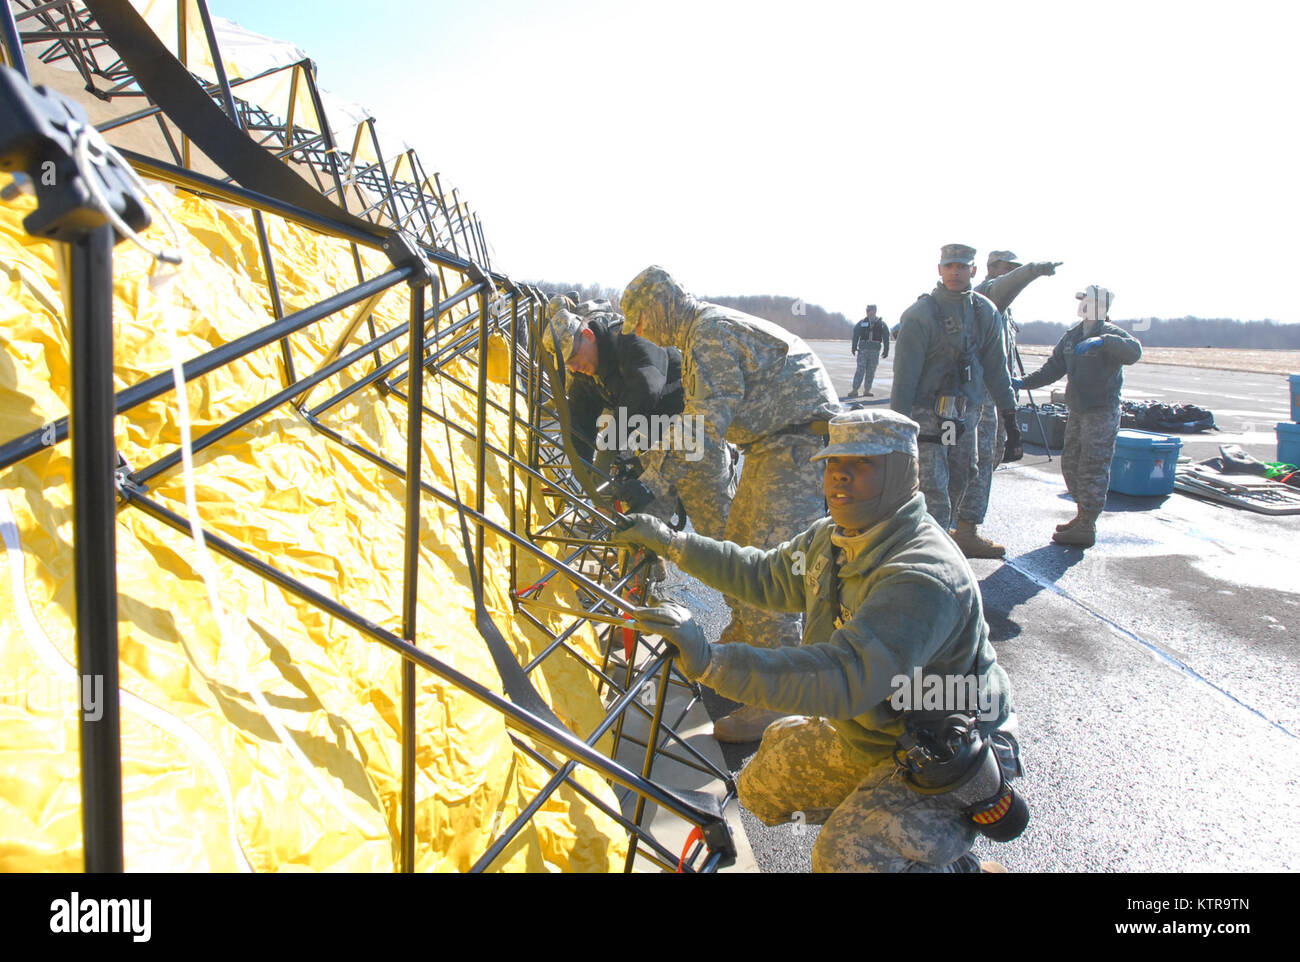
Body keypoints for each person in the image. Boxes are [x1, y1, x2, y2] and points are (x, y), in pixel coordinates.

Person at [617, 408, 1023, 872]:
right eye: (833, 462)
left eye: (861, 464)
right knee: (763, 786)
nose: (839, 476)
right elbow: (763, 574)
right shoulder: (835, 537)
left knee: (845, 857)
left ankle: (937, 854)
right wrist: (672, 542)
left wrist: (712, 662)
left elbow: (843, 676)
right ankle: (906, 833)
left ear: (900, 473)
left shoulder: (921, 576)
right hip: (878, 733)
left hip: (947, 752)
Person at [620, 265, 841, 742]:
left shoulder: (710, 334)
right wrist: (651, 470)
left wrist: (654, 481)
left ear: (658, 305)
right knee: (742, 549)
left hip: (795, 447)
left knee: (768, 564)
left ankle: (777, 700)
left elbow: (703, 426)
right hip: (775, 446)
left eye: (639, 320)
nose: (640, 334)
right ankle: (747, 636)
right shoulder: (700, 332)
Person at [890, 244, 1022, 533]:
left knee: (964, 472)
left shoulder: (985, 312)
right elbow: (904, 378)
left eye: (961, 266)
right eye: (949, 266)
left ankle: (943, 530)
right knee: (933, 483)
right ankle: (932, 546)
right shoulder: (919, 315)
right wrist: (897, 428)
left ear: (973, 270)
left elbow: (998, 370)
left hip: (965, 413)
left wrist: (1011, 418)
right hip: (926, 411)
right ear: (939, 270)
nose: (955, 272)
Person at [947, 250, 1063, 558]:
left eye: (1014, 268)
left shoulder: (1005, 313)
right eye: (1007, 268)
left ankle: (959, 521)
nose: (1011, 273)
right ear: (990, 268)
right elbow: (1005, 287)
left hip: (994, 398)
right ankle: (965, 528)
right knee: (978, 459)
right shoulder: (986, 294)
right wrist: (1033, 270)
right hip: (976, 399)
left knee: (990, 457)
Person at [1014, 285, 1142, 547]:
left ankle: (1088, 524)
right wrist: (1022, 382)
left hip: (1101, 411)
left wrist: (1104, 342)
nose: (1083, 305)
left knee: (1093, 466)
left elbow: (1134, 351)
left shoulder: (1111, 333)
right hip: (1078, 410)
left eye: (1089, 301)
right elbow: (1053, 369)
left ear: (1102, 307)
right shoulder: (1072, 336)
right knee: (1071, 462)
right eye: (1083, 300)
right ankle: (1082, 514)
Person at [848, 305, 890, 397]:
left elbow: (886, 337)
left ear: (874, 311)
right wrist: (854, 347)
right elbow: (856, 334)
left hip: (875, 351)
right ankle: (855, 389)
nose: (867, 312)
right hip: (863, 350)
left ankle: (867, 390)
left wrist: (886, 349)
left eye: (869, 310)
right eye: (867, 310)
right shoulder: (862, 322)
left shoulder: (881, 324)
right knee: (860, 370)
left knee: (871, 371)